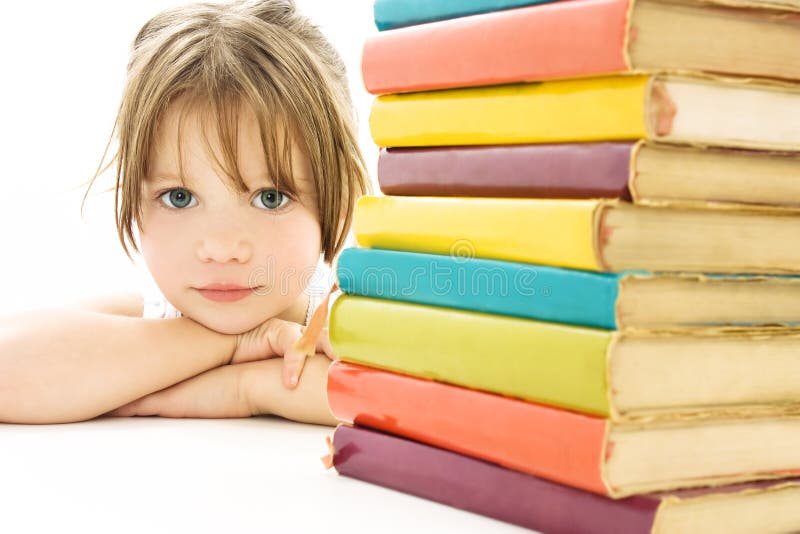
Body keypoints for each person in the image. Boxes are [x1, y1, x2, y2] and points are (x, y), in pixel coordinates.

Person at [0, 0, 370, 425]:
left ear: (340, 200)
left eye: (269, 198)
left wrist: (246, 387)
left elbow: (400, 405)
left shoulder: (347, 318)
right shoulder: (151, 319)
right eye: (179, 197)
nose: (221, 248)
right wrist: (231, 344)